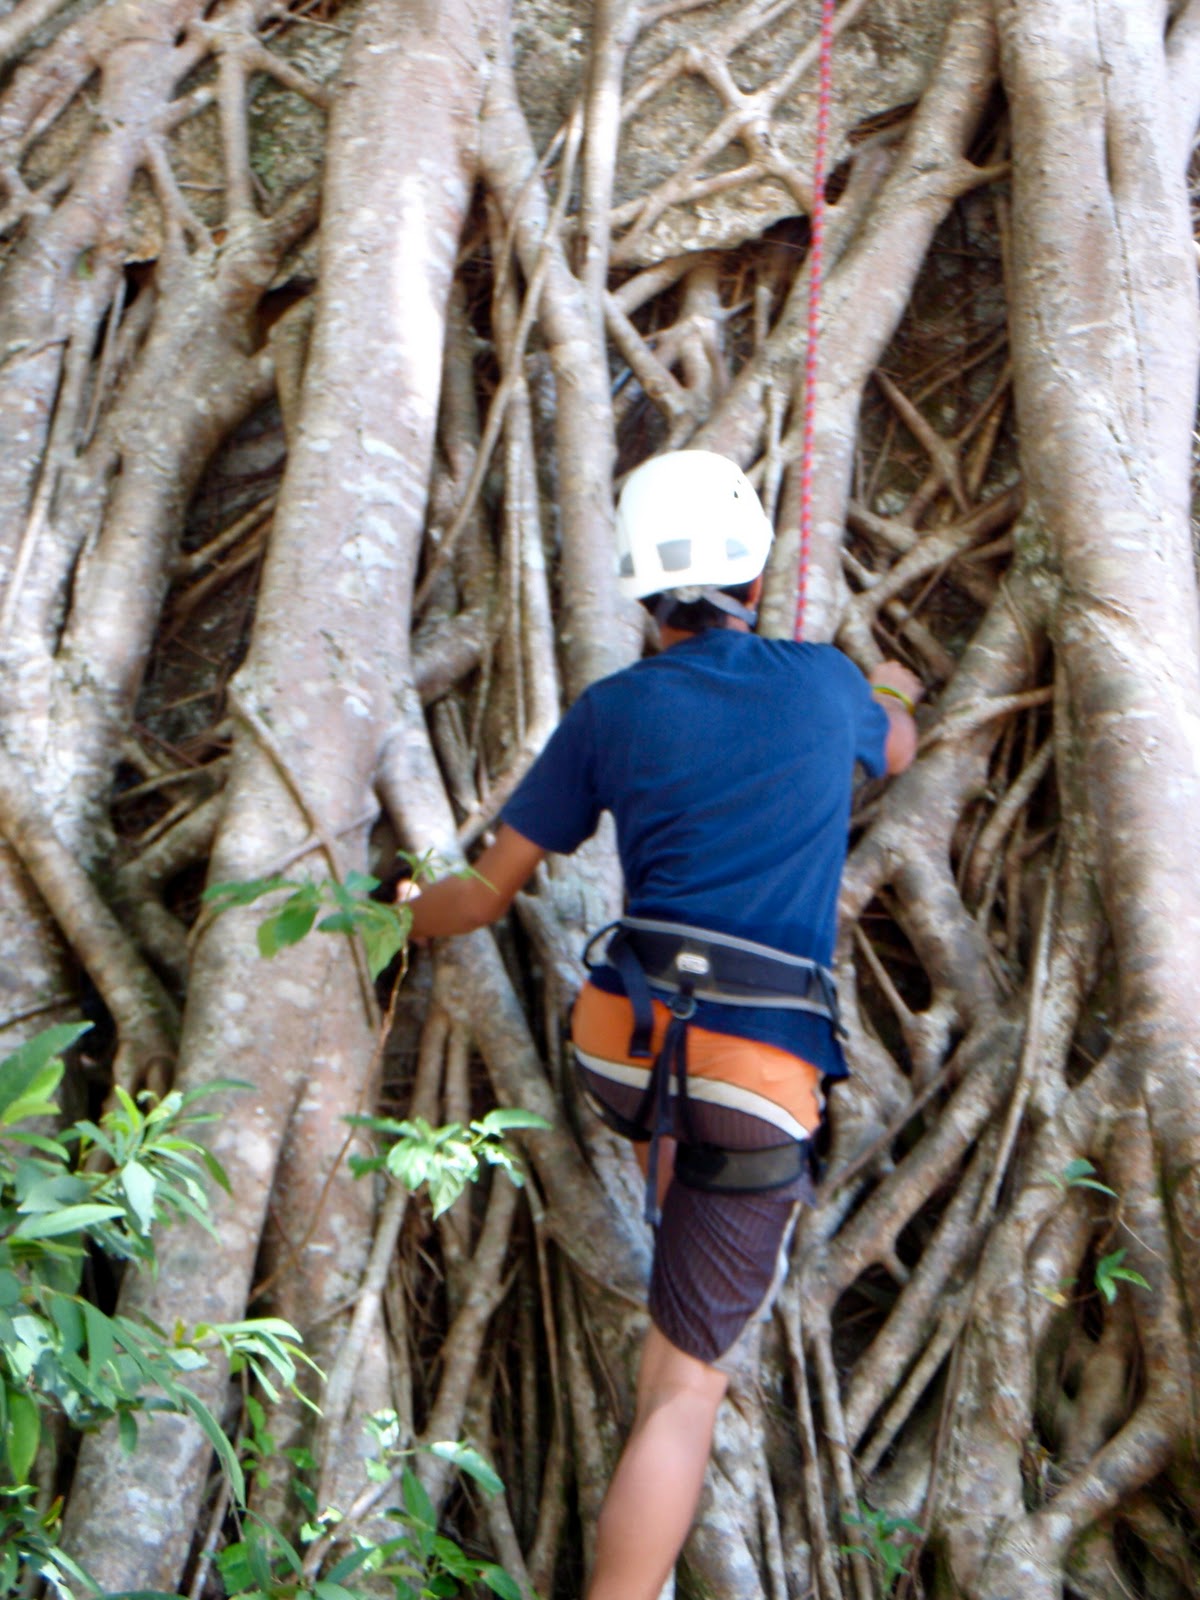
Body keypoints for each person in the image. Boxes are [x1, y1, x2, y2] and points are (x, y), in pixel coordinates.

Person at [400, 451, 922, 1600]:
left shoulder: (613, 709)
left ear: (640, 589)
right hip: (756, 1068)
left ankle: (677, 1216)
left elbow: (483, 897)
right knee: (682, 1388)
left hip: (619, 1044)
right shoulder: (827, 681)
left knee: (673, 1112)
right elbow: (895, 753)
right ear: (753, 567)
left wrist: (395, 915)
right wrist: (896, 687)